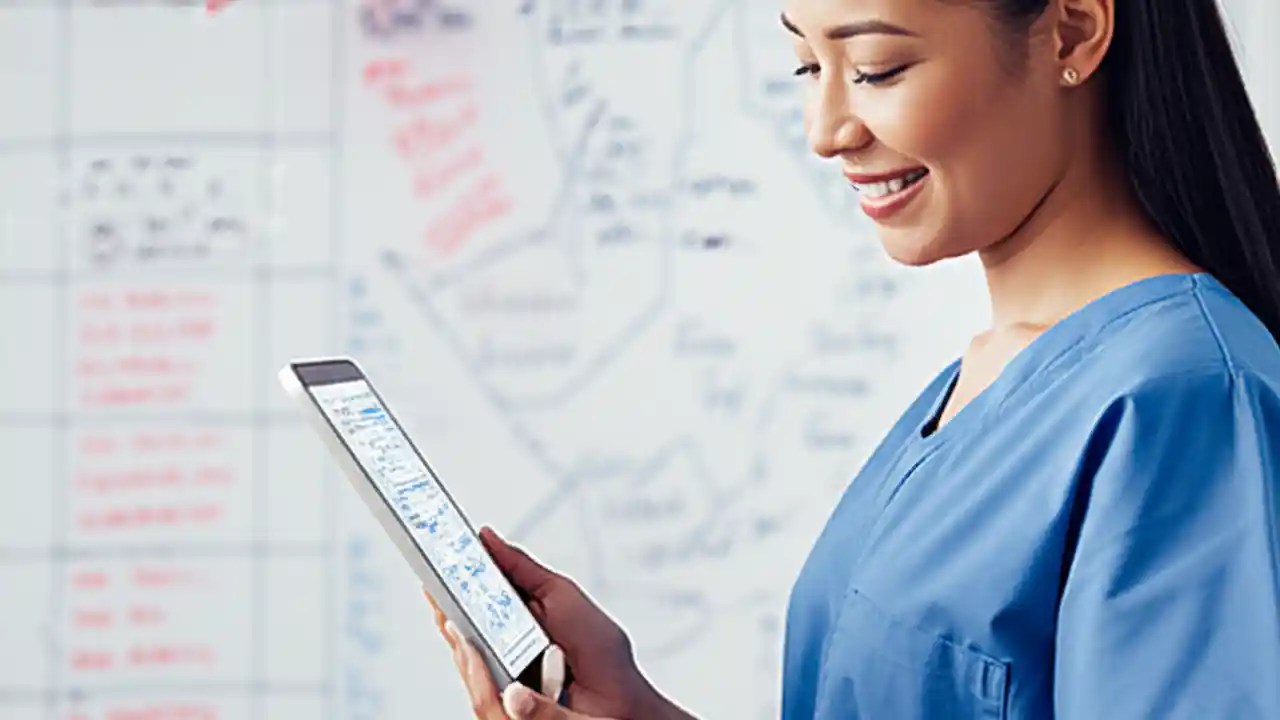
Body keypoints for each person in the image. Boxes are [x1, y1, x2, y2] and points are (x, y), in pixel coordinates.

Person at [426, 0, 1280, 717]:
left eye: (876, 69)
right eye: (807, 67)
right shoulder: (989, 379)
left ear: (1072, 32)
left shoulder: (1185, 399)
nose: (825, 131)